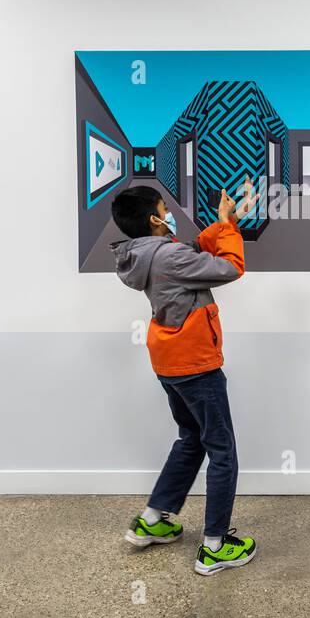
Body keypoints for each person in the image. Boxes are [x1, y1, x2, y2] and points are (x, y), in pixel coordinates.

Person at [109, 179, 258, 575]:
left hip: (170, 362)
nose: (170, 212)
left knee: (191, 439)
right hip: (196, 364)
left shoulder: (147, 254)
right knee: (222, 450)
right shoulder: (169, 257)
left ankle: (154, 519)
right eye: (164, 207)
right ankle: (215, 545)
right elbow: (229, 267)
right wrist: (226, 228)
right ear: (157, 219)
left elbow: (193, 250)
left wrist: (228, 221)